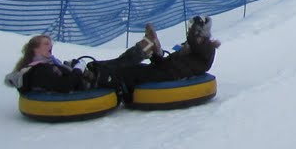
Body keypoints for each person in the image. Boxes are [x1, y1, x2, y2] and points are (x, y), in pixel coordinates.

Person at [89, 16, 221, 99]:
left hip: (167, 74)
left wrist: (194, 31)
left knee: (129, 72)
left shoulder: (207, 48)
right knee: (131, 66)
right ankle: (97, 69)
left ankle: (100, 78)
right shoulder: (189, 48)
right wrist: (157, 57)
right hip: (163, 70)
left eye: (191, 30)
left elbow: (194, 48)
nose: (188, 33)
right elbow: (169, 63)